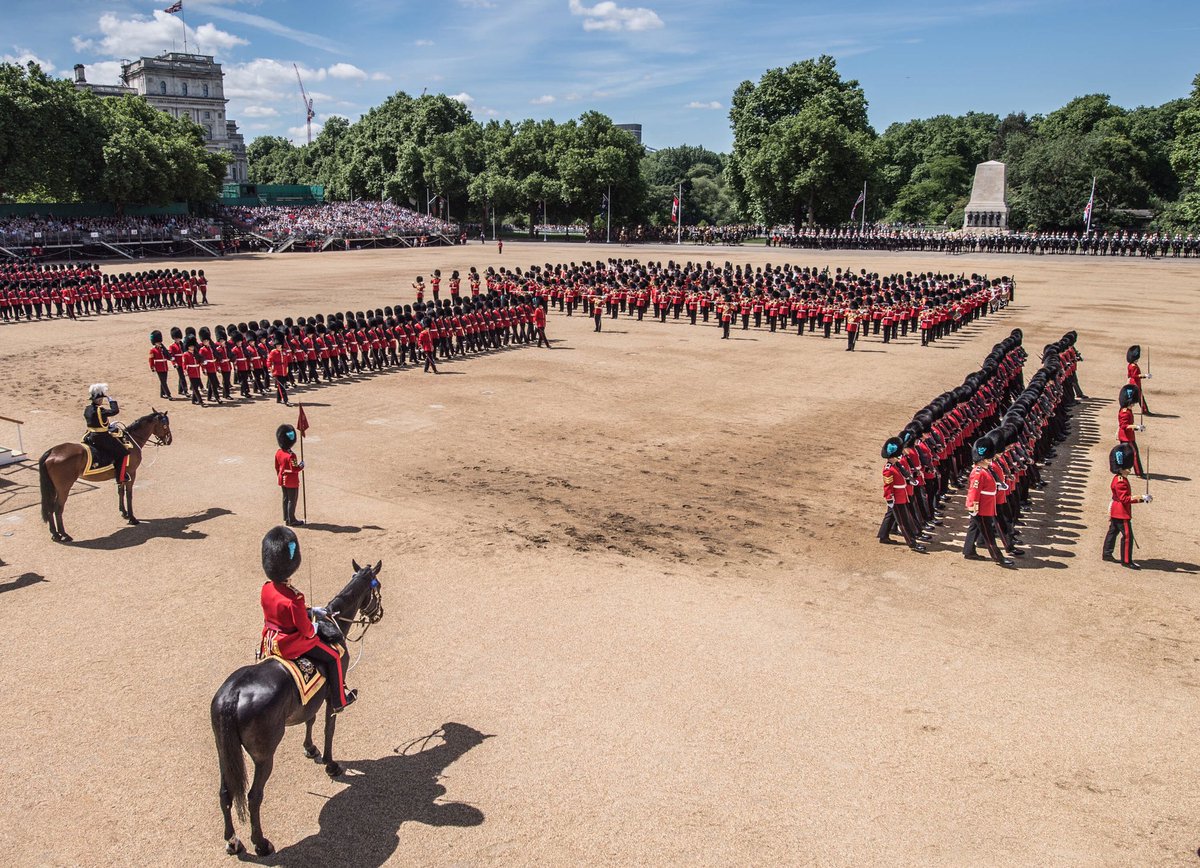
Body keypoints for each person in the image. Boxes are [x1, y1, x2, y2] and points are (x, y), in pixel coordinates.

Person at [258, 526, 356, 713]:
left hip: (270, 639)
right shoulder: (295, 597)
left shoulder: (266, 587)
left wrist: (311, 610)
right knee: (335, 655)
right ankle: (339, 700)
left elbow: (280, 610)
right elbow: (307, 631)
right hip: (289, 644)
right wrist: (315, 625)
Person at [962, 436, 1014, 567]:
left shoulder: (985, 470)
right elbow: (973, 491)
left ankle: (968, 550)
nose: (991, 460)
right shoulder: (978, 472)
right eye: (989, 457)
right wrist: (973, 506)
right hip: (981, 507)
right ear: (983, 458)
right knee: (988, 534)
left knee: (974, 527)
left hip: (987, 504)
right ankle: (998, 558)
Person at [1103, 443, 1151, 569]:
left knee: (1113, 532)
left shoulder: (1119, 478)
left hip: (1116, 510)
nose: (1129, 470)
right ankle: (1126, 560)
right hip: (1121, 512)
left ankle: (1107, 553)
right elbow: (1124, 499)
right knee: (1128, 536)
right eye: (1127, 468)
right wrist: (1141, 498)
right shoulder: (1120, 482)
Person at [83, 383, 129, 483]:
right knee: (123, 453)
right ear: (99, 400)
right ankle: (121, 477)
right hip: (101, 437)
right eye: (101, 399)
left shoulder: (87, 409)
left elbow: (95, 422)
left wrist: (107, 425)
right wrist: (112, 401)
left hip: (90, 435)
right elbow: (115, 411)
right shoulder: (100, 410)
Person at [275, 423, 304, 527]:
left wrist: (279, 475)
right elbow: (295, 469)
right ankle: (291, 519)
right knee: (292, 500)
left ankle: (286, 518)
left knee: (285, 498)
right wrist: (301, 466)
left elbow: (276, 467)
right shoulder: (291, 456)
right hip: (291, 481)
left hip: (282, 478)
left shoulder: (278, 452)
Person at [1116, 383, 1146, 478]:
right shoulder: (1125, 412)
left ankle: (1122, 469)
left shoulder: (1127, 410)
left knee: (1126, 454)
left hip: (1127, 436)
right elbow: (1124, 426)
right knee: (1134, 454)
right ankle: (1139, 473)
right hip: (1126, 437)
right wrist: (1136, 427)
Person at [1126, 345, 1152, 416]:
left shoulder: (1131, 365)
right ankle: (1144, 410)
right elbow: (1135, 376)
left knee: (1134, 397)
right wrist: (1145, 375)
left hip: (1133, 382)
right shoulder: (1133, 366)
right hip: (1135, 383)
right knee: (1139, 397)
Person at [148, 330, 172, 400]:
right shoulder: (152, 350)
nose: (159, 343)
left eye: (159, 342)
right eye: (157, 342)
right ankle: (168, 395)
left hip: (165, 366)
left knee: (164, 381)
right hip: (158, 367)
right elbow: (151, 359)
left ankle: (162, 393)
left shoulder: (163, 349)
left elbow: (167, 356)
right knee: (163, 381)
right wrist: (152, 367)